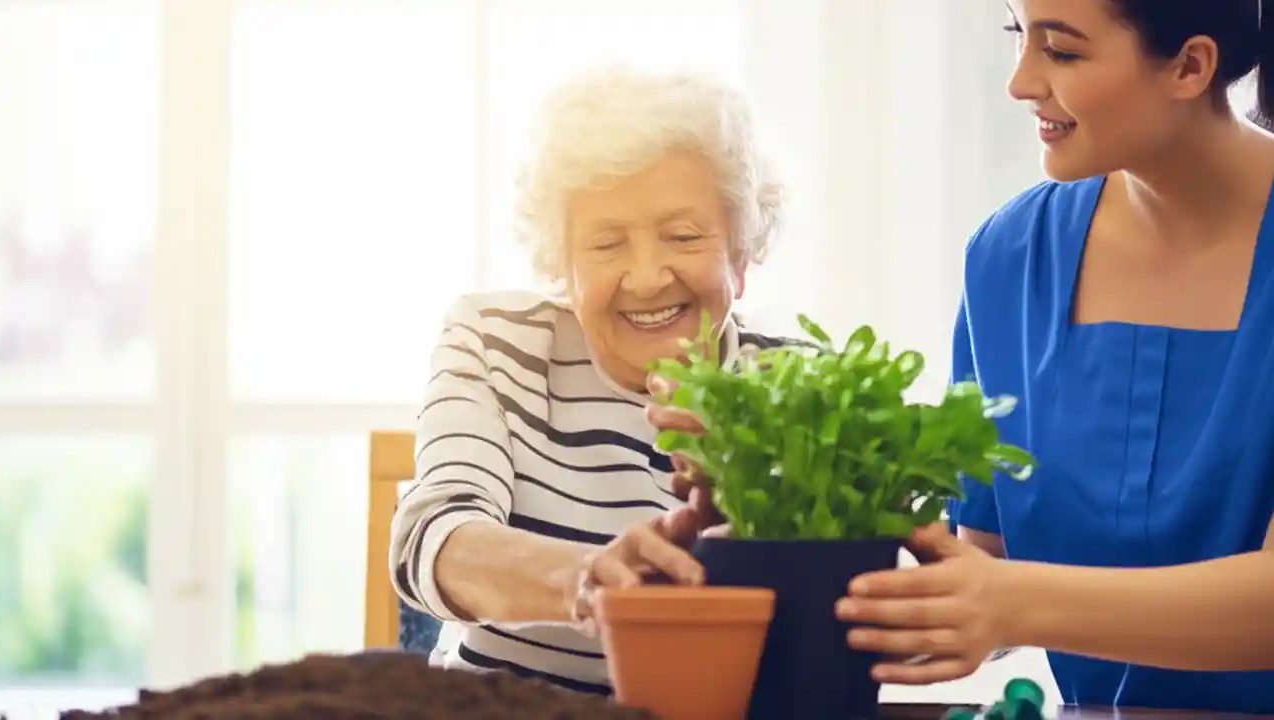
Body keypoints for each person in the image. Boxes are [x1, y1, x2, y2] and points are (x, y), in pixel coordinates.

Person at [650, 0, 1274, 713]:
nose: (1020, 83)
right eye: (1019, 38)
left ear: (1191, 66)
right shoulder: (1011, 256)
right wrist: (776, 517)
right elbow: (983, 569)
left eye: (1062, 52)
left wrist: (1009, 602)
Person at [388, 65, 786, 695]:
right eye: (606, 243)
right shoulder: (497, 342)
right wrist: (588, 578)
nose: (648, 276)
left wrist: (748, 503)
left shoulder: (799, 382)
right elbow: (434, 540)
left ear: (738, 257)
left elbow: (871, 604)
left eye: (683, 236)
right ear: (561, 263)